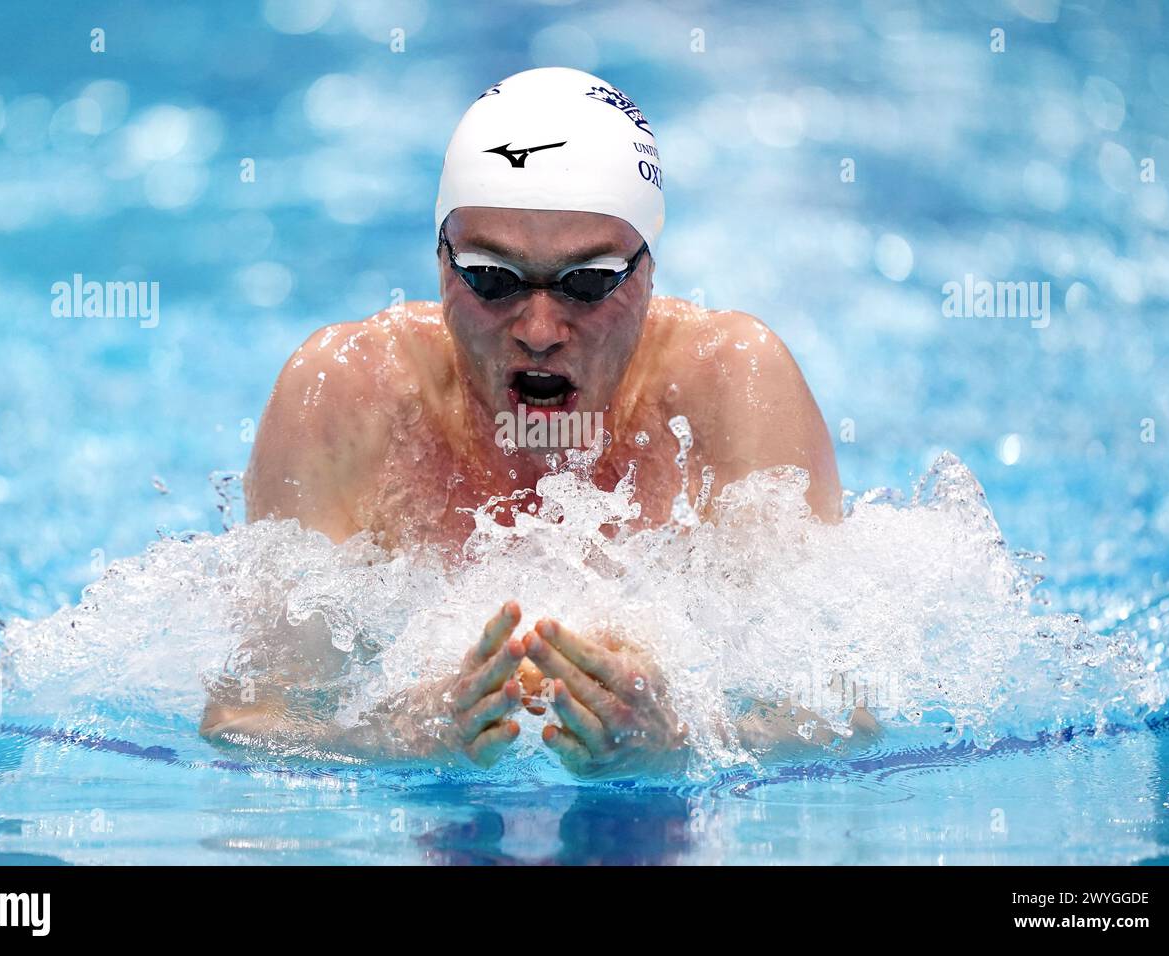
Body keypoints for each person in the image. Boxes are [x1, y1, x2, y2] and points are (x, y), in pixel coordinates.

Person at [201, 68, 847, 777]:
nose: (540, 330)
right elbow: (247, 717)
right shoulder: (346, 394)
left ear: (649, 270)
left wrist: (679, 743)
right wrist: (400, 738)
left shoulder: (733, 385)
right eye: (493, 278)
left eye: (589, 281)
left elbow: (845, 711)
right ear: (440, 264)